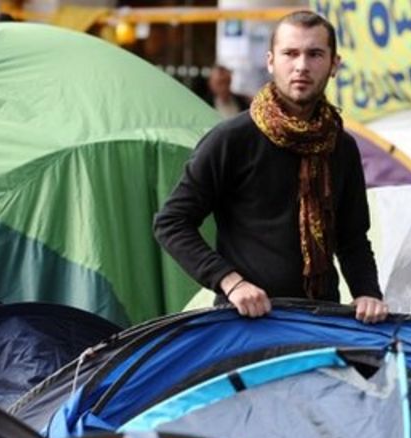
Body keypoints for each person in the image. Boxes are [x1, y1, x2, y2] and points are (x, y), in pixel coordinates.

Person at [154, 11, 388, 323]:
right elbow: (171, 223)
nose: (301, 66)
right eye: (290, 53)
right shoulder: (232, 139)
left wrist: (368, 292)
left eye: (315, 54)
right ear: (270, 61)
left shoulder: (341, 146)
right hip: (246, 321)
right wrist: (231, 282)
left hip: (322, 320)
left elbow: (353, 238)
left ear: (334, 64)